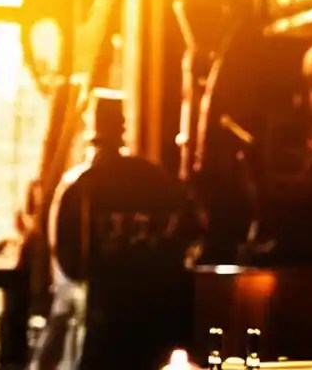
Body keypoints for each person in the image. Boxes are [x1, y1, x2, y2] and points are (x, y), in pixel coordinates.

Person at [38, 89, 195, 370]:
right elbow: (180, 239)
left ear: (92, 126)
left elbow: (69, 261)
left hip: (100, 315)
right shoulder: (152, 177)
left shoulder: (81, 184)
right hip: (150, 317)